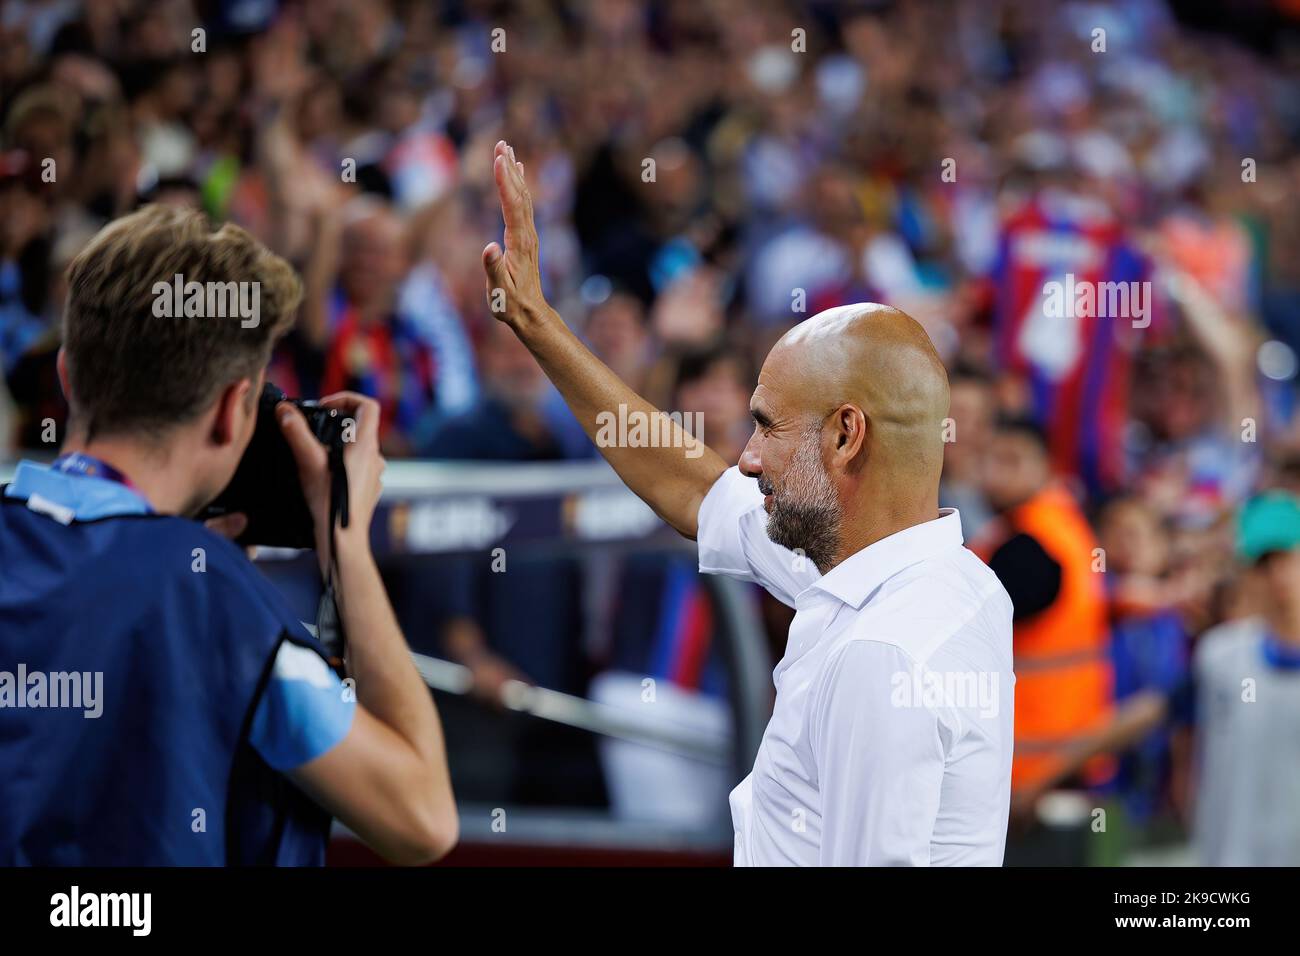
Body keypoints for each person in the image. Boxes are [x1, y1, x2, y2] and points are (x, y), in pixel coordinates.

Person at [481, 141, 1014, 866]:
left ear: (846, 436)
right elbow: (695, 487)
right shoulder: (927, 578)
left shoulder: (881, 653)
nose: (748, 455)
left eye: (767, 426)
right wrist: (540, 325)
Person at [0, 204, 457, 865]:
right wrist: (345, 540)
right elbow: (423, 818)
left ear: (69, 378)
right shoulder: (219, 604)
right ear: (229, 411)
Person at [1185, 492, 1300, 865]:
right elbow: (1161, 713)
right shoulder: (1220, 656)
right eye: (1262, 564)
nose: (1277, 575)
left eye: (1286, 558)